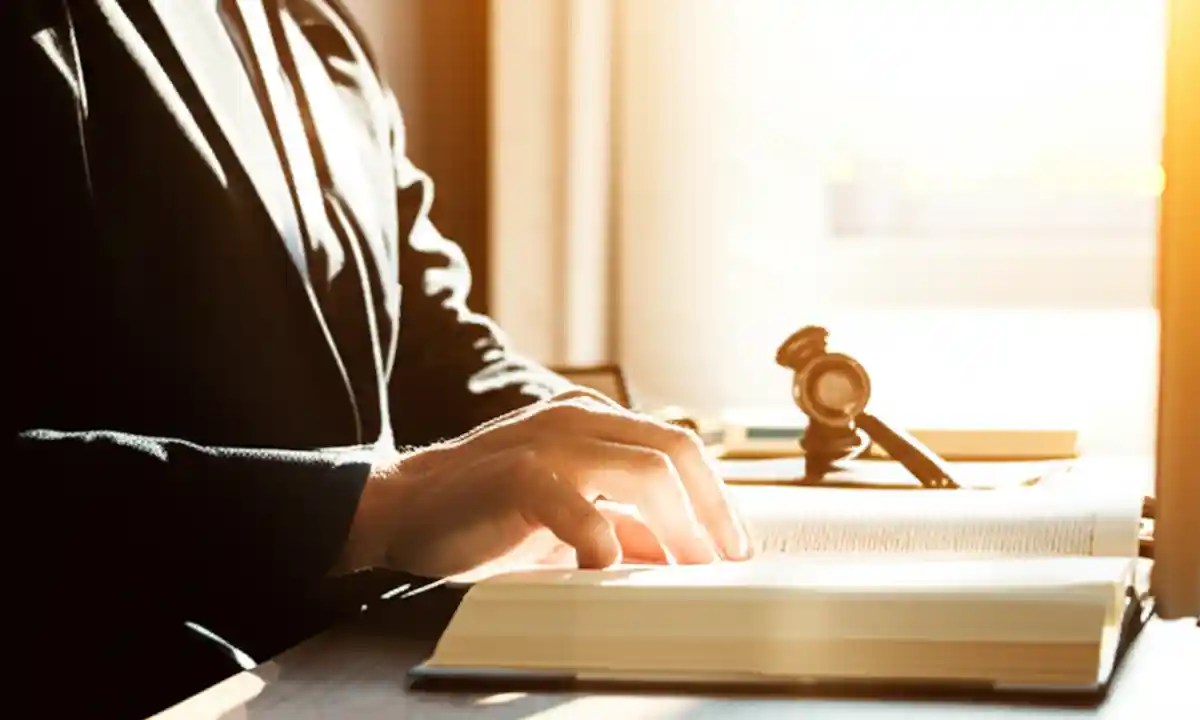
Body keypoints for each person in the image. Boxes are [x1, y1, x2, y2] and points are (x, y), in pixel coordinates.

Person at [6, 1, 750, 716]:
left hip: (339, 673)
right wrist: (381, 504)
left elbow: (435, 347)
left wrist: (615, 445)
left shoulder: (316, 32)